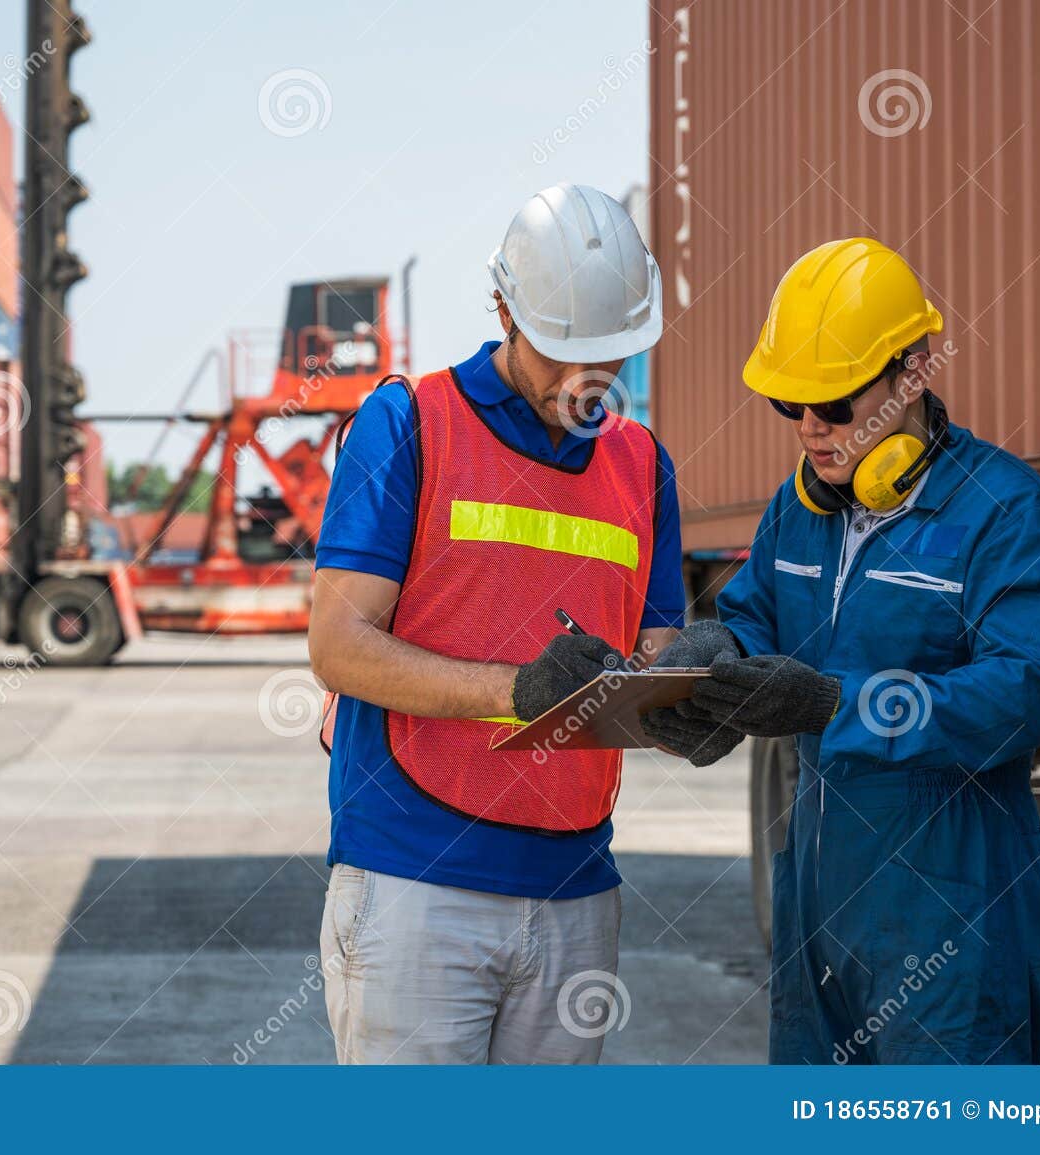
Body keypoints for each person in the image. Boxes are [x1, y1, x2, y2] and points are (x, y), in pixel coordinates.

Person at [308, 184, 731, 1064]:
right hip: (414, 882)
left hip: (578, 889)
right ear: (503, 307)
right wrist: (519, 691)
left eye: (609, 356)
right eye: (562, 353)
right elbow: (338, 647)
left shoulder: (640, 463)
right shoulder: (410, 424)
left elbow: (653, 658)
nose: (585, 382)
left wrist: (708, 684)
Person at [644, 237, 1040, 1064]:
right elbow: (753, 619)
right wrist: (703, 663)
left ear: (912, 372)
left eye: (836, 405)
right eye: (789, 406)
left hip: (953, 930)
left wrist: (835, 704)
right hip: (816, 918)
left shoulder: (1005, 513)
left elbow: (1020, 695)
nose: (811, 429)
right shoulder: (798, 509)